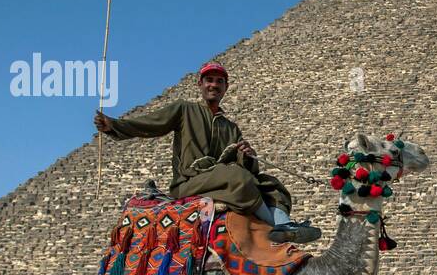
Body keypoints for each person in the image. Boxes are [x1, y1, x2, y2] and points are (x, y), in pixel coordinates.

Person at [94, 62, 319, 243]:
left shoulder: (230, 127)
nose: (214, 85)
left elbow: (247, 167)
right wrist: (114, 125)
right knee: (236, 177)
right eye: (209, 80)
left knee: (270, 182)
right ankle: (277, 228)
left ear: (226, 87)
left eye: (219, 81)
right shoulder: (185, 110)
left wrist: (246, 154)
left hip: (218, 179)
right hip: (189, 181)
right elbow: (151, 124)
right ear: (200, 84)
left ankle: (286, 225)